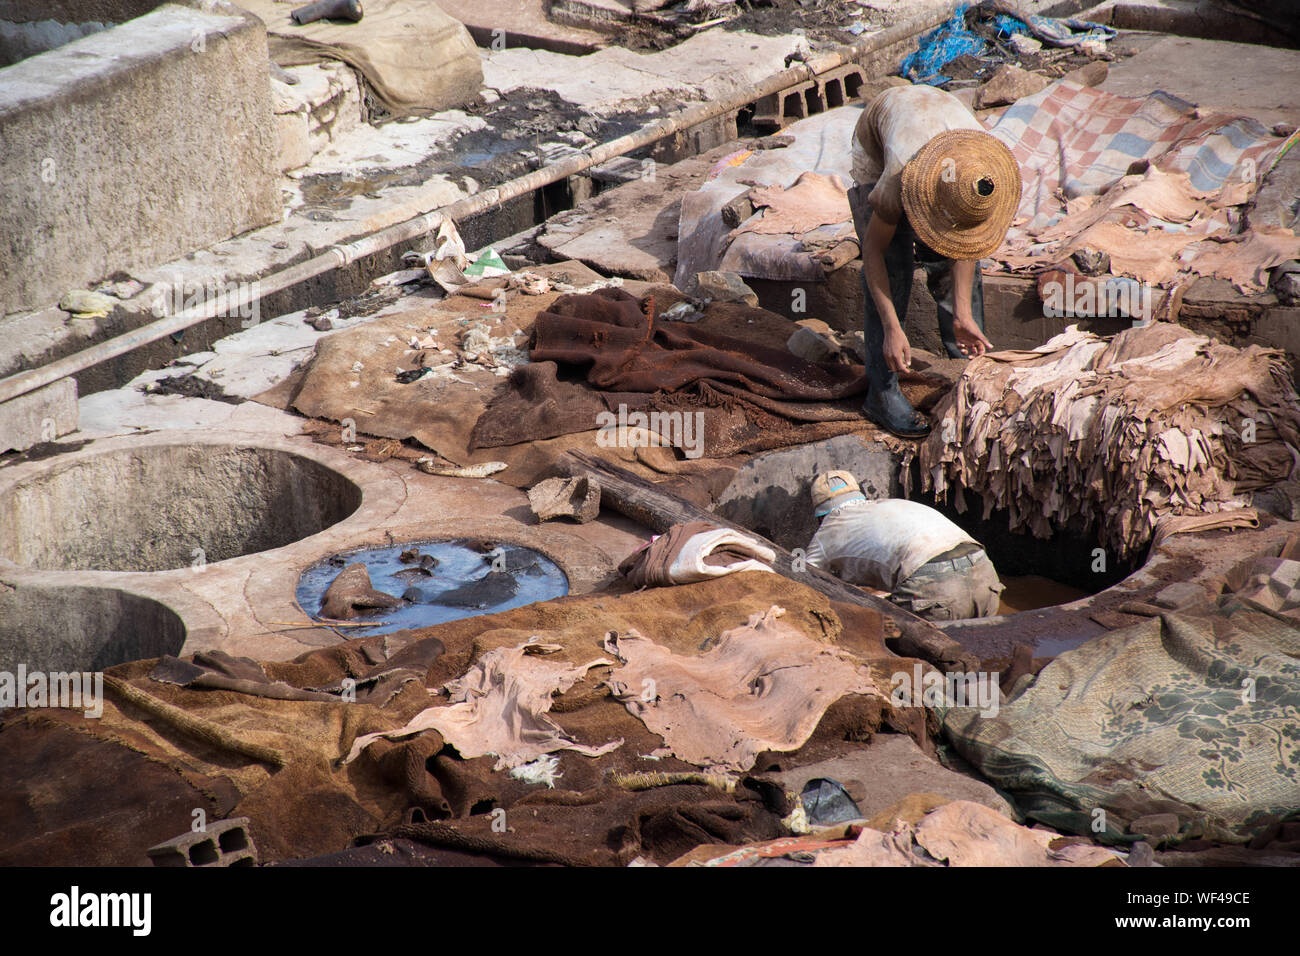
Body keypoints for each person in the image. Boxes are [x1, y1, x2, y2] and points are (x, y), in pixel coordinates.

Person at [849, 83, 1021, 437]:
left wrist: (963, 313)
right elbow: (873, 253)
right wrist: (893, 330)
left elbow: (966, 243)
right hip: (884, 135)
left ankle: (965, 372)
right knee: (894, 266)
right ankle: (881, 392)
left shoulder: (984, 167)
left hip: (935, 118)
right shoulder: (897, 176)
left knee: (949, 255)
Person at [805, 470, 1003, 621]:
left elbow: (802, 580)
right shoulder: (891, 505)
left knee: (885, 640)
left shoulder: (827, 531)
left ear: (820, 515)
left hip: (936, 587)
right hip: (984, 572)